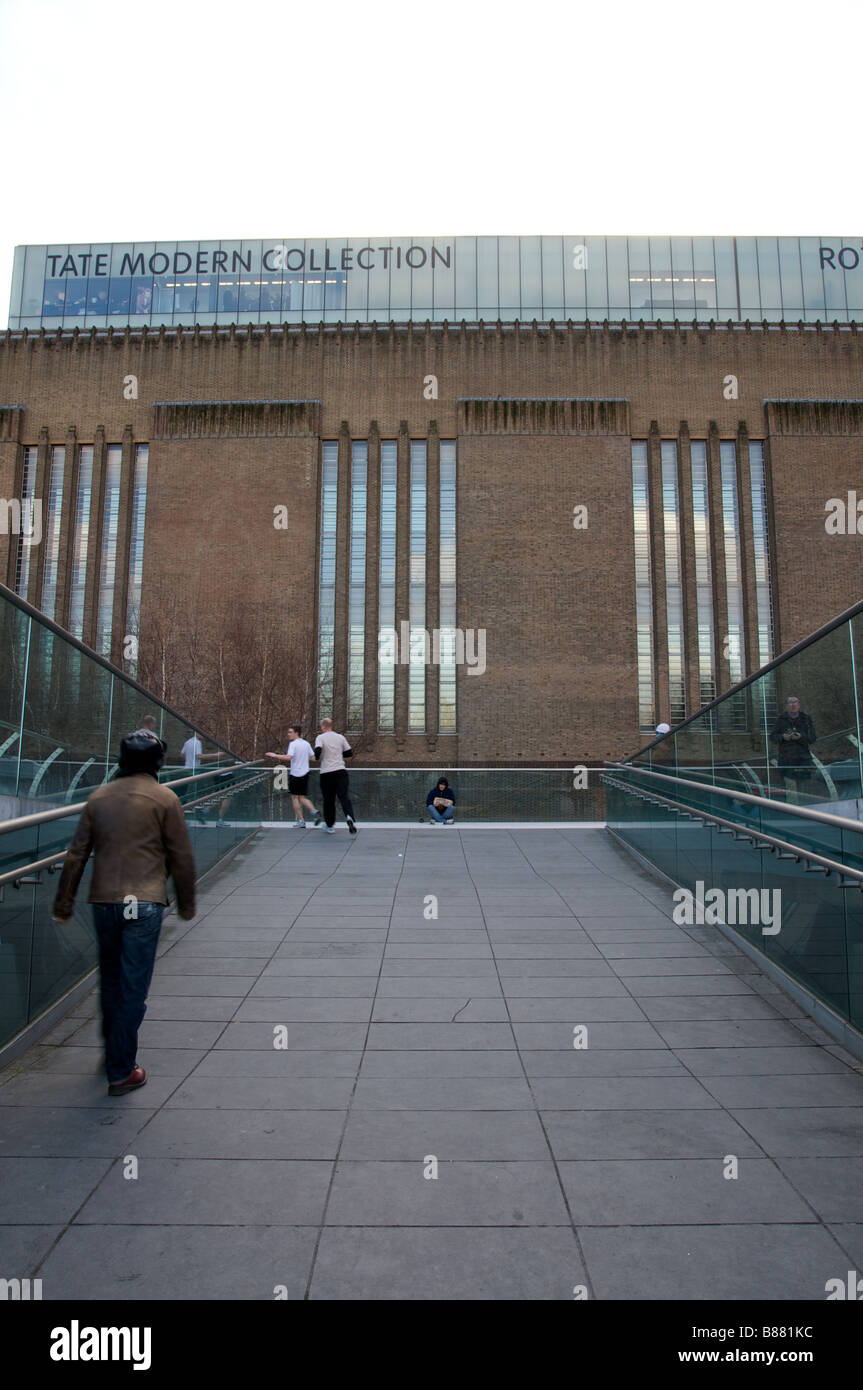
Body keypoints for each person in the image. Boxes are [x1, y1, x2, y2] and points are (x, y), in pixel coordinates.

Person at [52, 730, 196, 1096]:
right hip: (144, 902)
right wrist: (186, 902)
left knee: (112, 980)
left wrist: (64, 904)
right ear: (157, 763)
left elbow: (76, 854)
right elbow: (180, 856)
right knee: (134, 985)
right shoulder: (165, 798)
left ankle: (112, 1053)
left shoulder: (98, 798)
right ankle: (121, 1068)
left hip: (105, 902)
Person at [266, 725, 321, 828]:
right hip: (305, 773)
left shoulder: (293, 744)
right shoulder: (306, 743)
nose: (288, 734)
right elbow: (313, 758)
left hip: (296, 774)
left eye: (290, 732)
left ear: (296, 733)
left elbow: (289, 757)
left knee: (295, 798)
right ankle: (314, 811)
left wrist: (275, 755)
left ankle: (301, 821)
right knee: (302, 797)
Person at [312, 717, 357, 834]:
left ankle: (329, 825)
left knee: (328, 800)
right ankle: (349, 816)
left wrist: (316, 757)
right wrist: (336, 752)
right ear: (331, 726)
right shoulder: (340, 737)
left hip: (326, 773)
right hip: (341, 771)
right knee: (344, 796)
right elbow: (349, 753)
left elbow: (317, 752)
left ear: (323, 727)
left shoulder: (320, 738)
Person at [770, 695, 817, 803]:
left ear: (799, 705)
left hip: (802, 759)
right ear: (787, 706)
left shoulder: (806, 719)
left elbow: (812, 738)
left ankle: (803, 813)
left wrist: (801, 737)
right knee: (791, 790)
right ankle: (794, 812)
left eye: (795, 702)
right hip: (787, 759)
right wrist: (783, 737)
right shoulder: (781, 720)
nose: (793, 705)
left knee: (802, 790)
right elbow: (773, 737)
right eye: (790, 703)